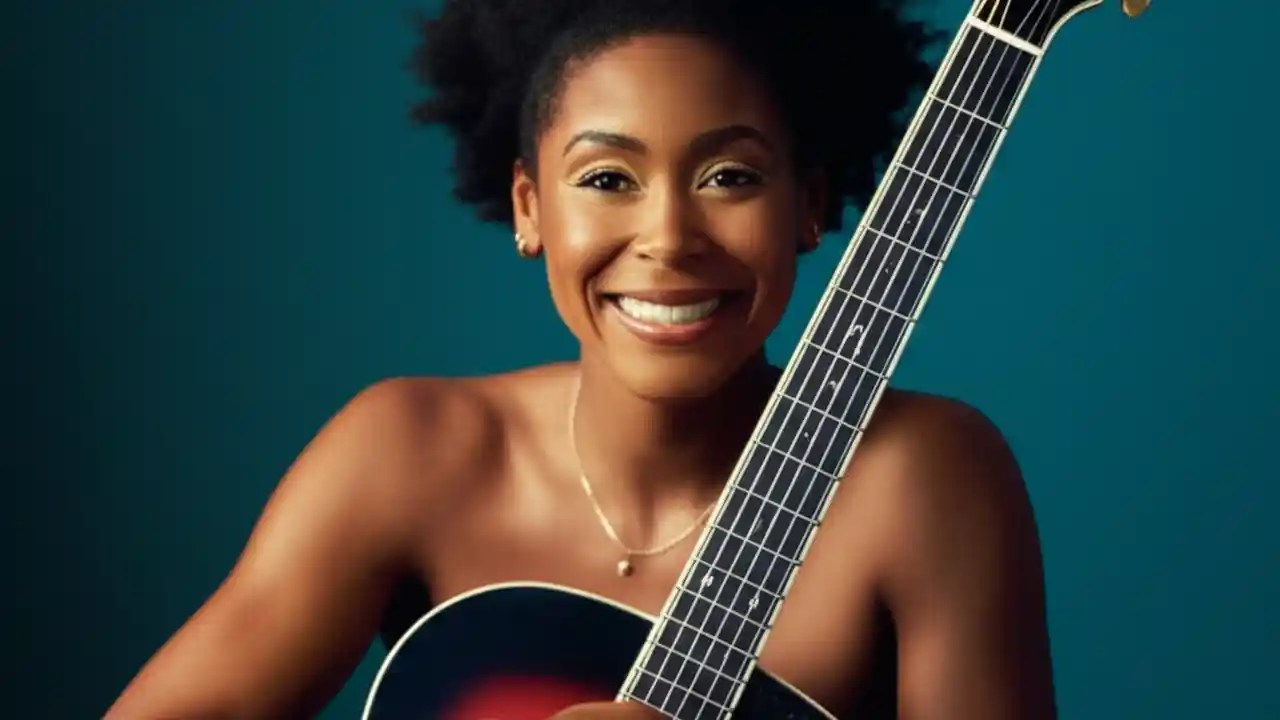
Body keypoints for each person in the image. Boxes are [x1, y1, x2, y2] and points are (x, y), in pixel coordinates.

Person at [108, 0, 1057, 717]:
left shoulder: (926, 477)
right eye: (608, 179)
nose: (669, 237)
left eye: (731, 177)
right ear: (529, 208)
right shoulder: (411, 450)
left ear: (809, 204)